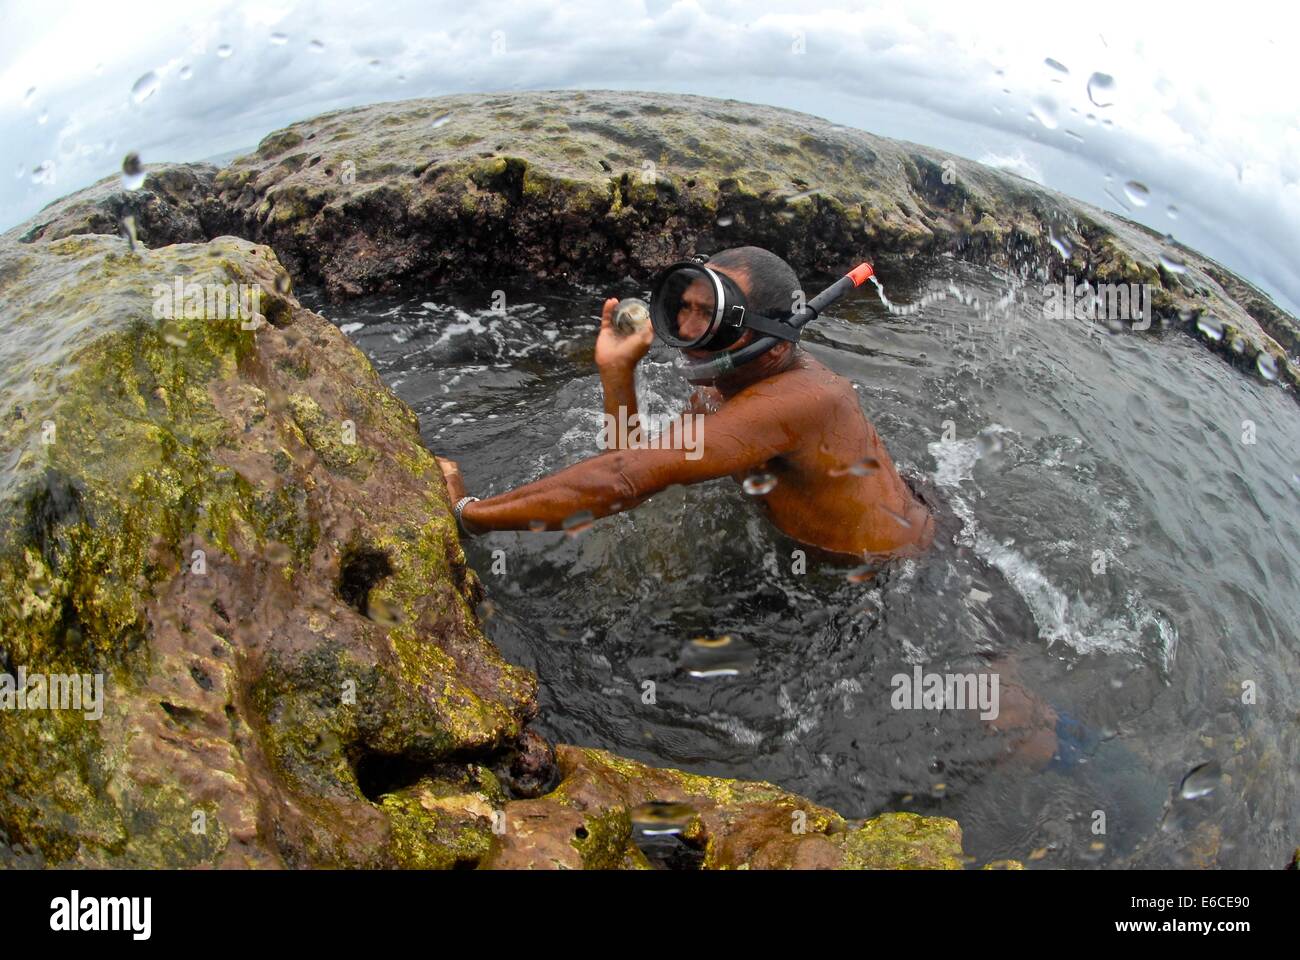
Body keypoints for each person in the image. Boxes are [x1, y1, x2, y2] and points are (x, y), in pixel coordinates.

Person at [436, 246, 934, 563]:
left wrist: (467, 513)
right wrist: (617, 373)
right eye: (685, 309)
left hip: (879, 572)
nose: (691, 331)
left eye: (711, 315)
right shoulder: (725, 390)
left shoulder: (797, 401)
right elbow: (634, 461)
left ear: (775, 340)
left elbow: (623, 480)